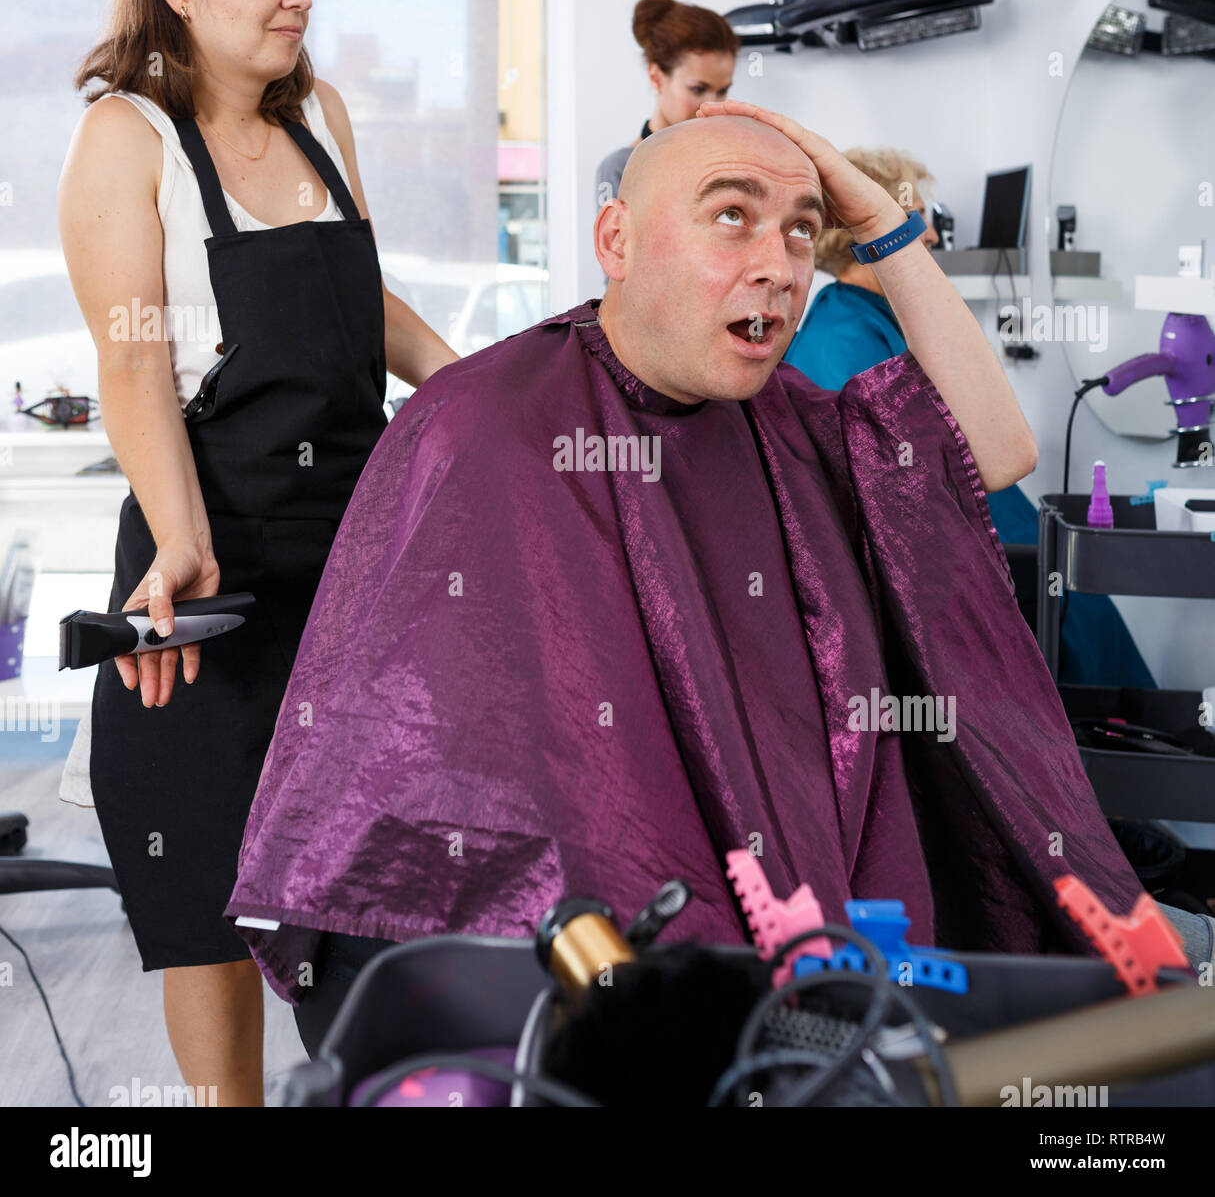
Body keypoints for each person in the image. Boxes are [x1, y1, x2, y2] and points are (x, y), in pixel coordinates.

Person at [224, 98, 1212, 1054]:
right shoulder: (479, 426)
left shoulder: (790, 418)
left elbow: (993, 447)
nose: (776, 264)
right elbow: (403, 786)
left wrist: (879, 223)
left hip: (796, 934)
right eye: (731, 216)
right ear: (616, 241)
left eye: (799, 232)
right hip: (572, 978)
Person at [56, 0, 457, 1105]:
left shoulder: (320, 115)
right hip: (209, 555)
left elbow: (357, 298)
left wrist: (461, 384)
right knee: (212, 893)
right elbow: (131, 355)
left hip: (358, 554)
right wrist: (179, 542)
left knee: (376, 877)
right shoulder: (129, 135)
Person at [784, 146, 1155, 691]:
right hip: (972, 564)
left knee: (1084, 607)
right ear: (863, 230)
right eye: (916, 220)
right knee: (1078, 616)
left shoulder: (883, 319)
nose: (932, 235)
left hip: (1002, 542)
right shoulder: (843, 338)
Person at [593, 0, 738, 216]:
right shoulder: (621, 168)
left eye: (722, 91)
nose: (713, 107)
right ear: (656, 77)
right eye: (697, 89)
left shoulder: (735, 163)